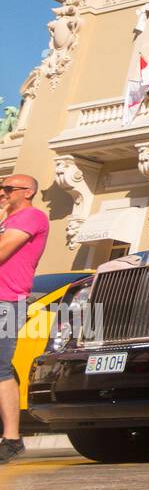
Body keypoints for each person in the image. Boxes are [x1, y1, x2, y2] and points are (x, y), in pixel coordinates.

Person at [0, 174, 49, 463]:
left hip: (6, 301)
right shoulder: (6, 221)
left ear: (28, 192)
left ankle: (12, 439)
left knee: (0, 368)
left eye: (7, 188)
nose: (2, 192)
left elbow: (3, 251)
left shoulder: (32, 216)